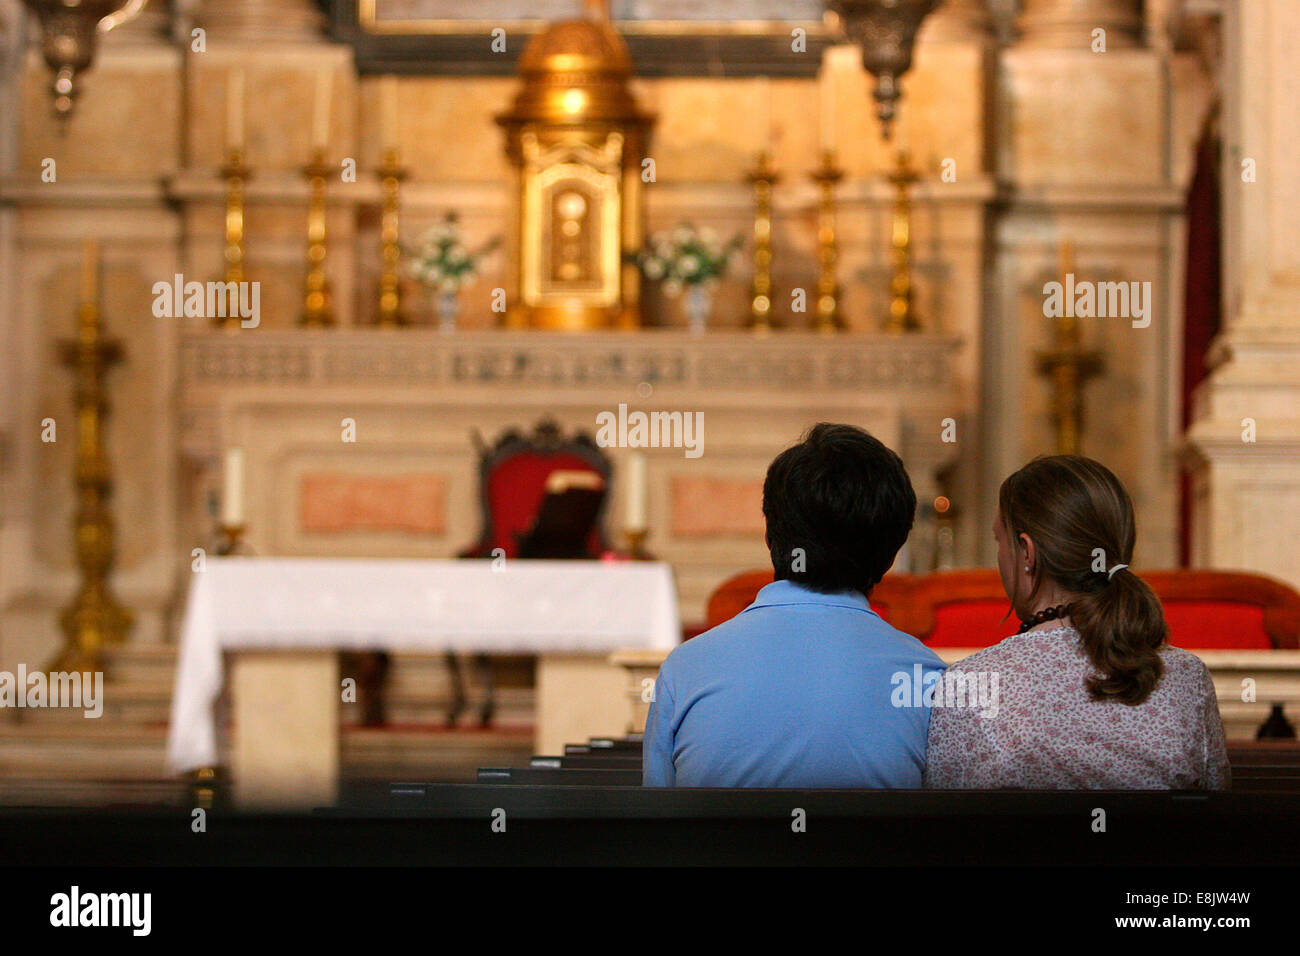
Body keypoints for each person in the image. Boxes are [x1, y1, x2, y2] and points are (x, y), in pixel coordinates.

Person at [643, 423, 945, 788]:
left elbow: (659, 826)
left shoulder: (684, 670)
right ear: (892, 553)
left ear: (770, 533)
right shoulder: (928, 679)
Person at [923, 455, 1229, 789]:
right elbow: (1215, 816)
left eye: (1000, 540)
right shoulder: (1187, 679)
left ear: (1027, 552)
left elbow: (944, 829)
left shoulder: (969, 686)